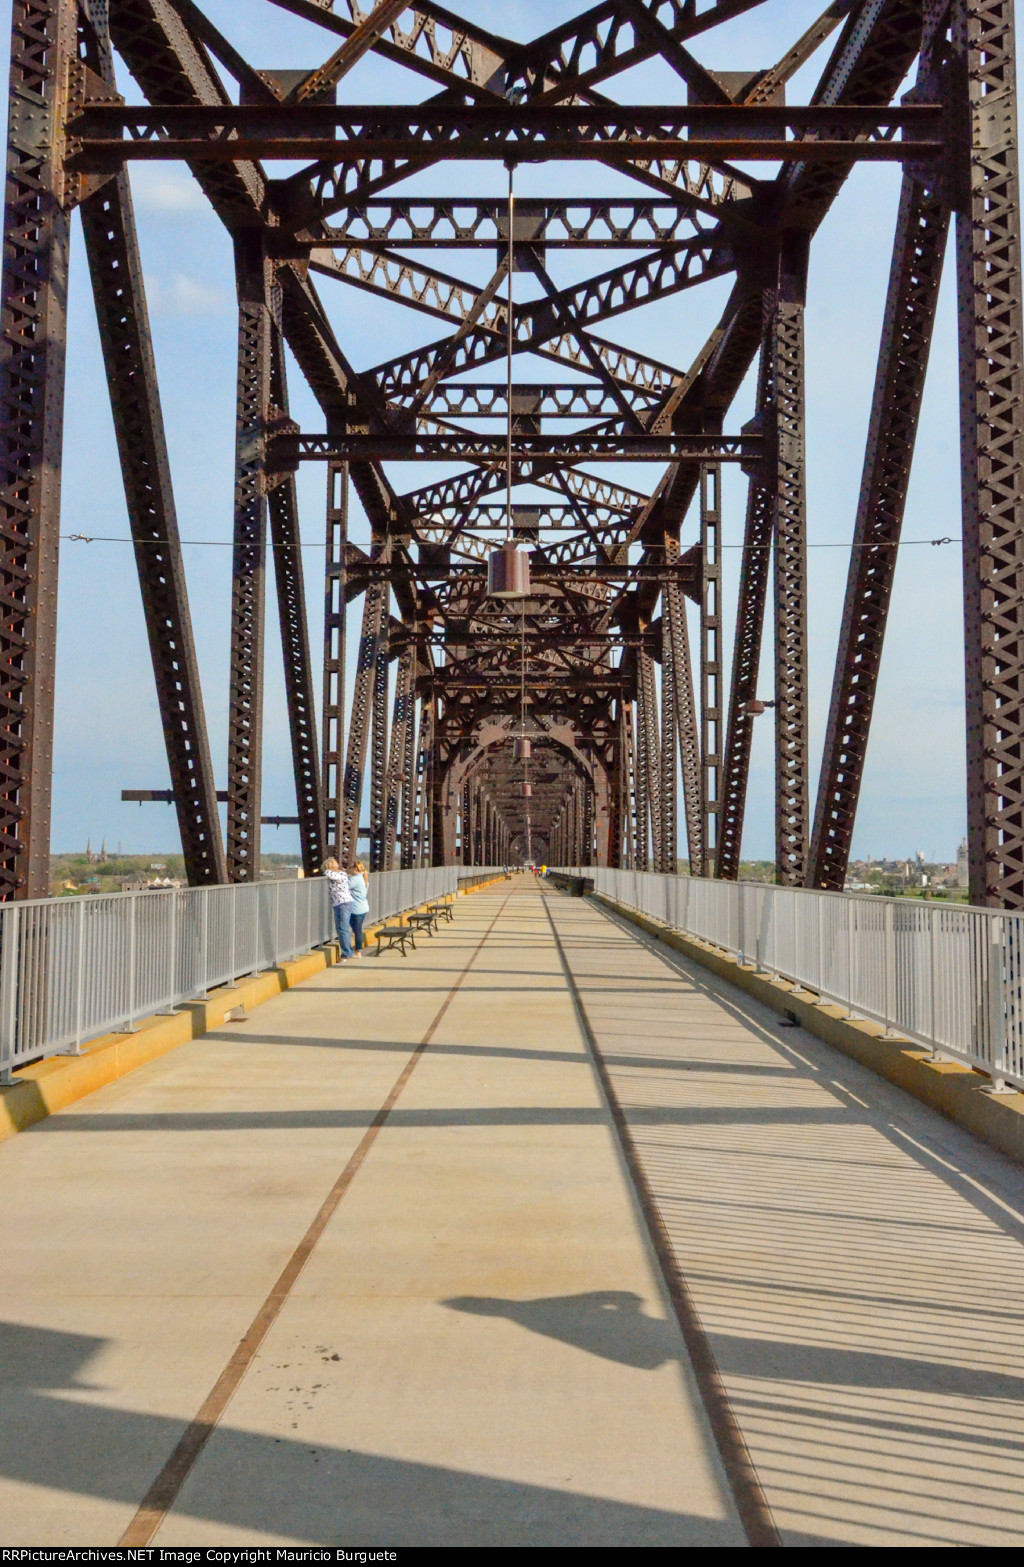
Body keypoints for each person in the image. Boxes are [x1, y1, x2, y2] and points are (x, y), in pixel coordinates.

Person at [323, 857, 353, 961]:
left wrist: (327, 870)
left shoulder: (340, 874)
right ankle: (348, 951)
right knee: (341, 929)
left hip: (343, 903)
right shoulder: (341, 874)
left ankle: (346, 953)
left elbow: (329, 874)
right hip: (338, 904)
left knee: (343, 929)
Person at [348, 860, 370, 957]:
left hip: (356, 909)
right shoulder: (363, 878)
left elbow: (343, 887)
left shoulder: (355, 879)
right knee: (358, 929)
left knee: (357, 930)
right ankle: (358, 949)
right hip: (363, 907)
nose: (349, 869)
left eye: (350, 868)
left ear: (355, 869)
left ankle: (358, 951)